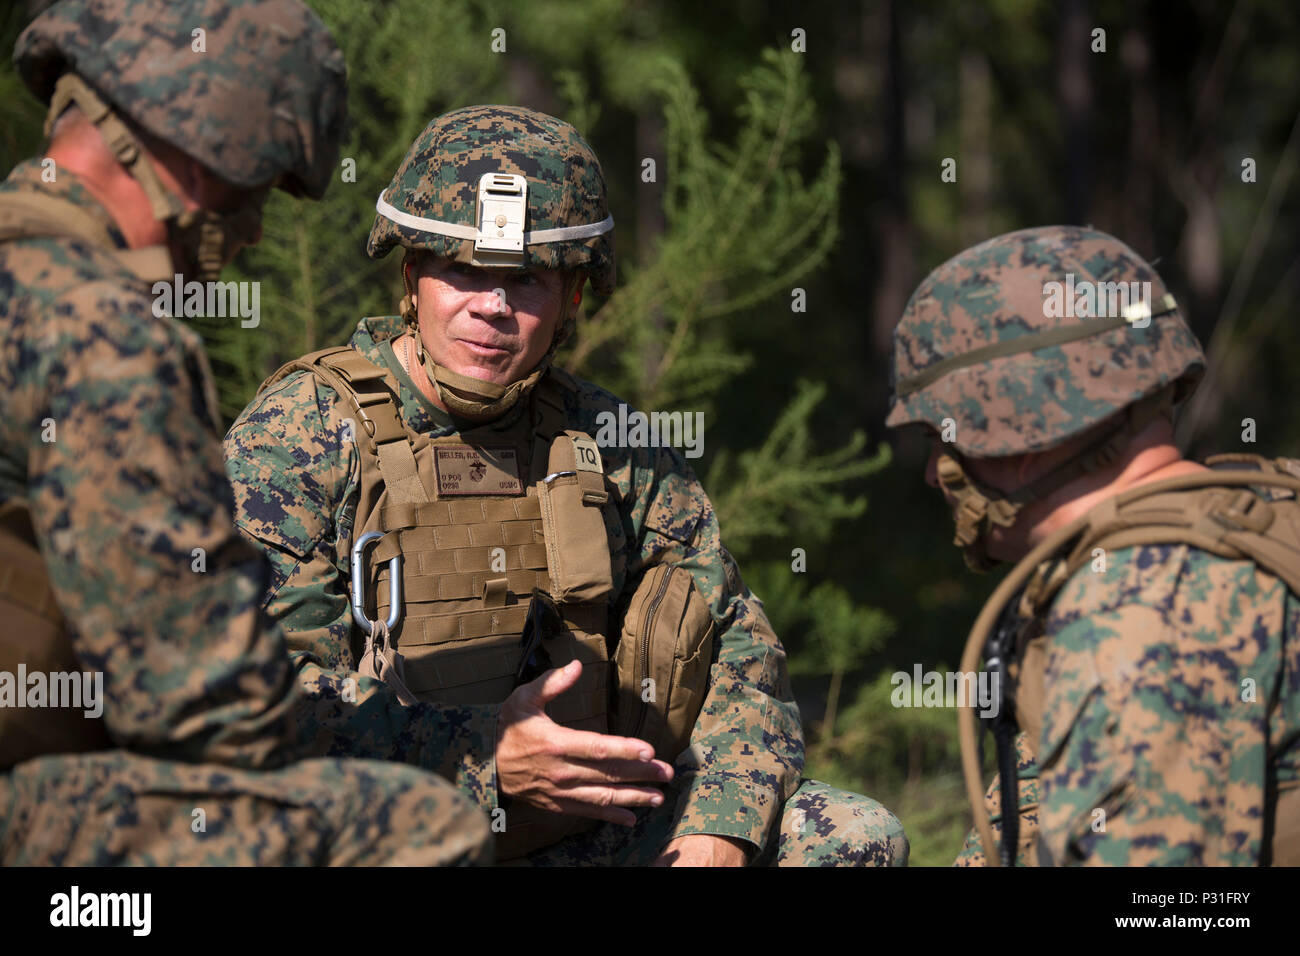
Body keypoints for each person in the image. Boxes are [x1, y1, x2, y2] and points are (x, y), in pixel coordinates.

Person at [224, 104, 908, 866]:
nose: (492, 306)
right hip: (385, 836)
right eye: (462, 272)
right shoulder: (304, 432)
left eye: (527, 280)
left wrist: (718, 829)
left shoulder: (605, 441)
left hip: (575, 838)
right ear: (412, 278)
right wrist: (486, 752)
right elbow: (253, 698)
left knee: (847, 836)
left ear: (573, 298)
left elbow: (741, 659)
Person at [0, 0, 489, 866]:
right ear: (197, 146)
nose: (254, 230)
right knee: (420, 825)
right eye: (254, 190)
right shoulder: (100, 330)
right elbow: (199, 701)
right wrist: (457, 751)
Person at [885, 224, 1300, 866]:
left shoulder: (1141, 609)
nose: (933, 472)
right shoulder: (1268, 509)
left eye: (940, 439)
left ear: (1015, 431)